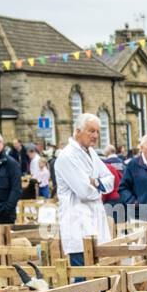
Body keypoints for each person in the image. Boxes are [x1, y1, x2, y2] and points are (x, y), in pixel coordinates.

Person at [56, 113, 114, 271]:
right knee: (85, 279)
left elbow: (111, 178)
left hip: (94, 222)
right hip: (78, 224)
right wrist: (99, 187)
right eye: (91, 131)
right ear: (77, 131)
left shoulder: (91, 153)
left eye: (97, 132)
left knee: (99, 276)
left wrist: (95, 182)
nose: (95, 136)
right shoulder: (67, 156)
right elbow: (84, 192)